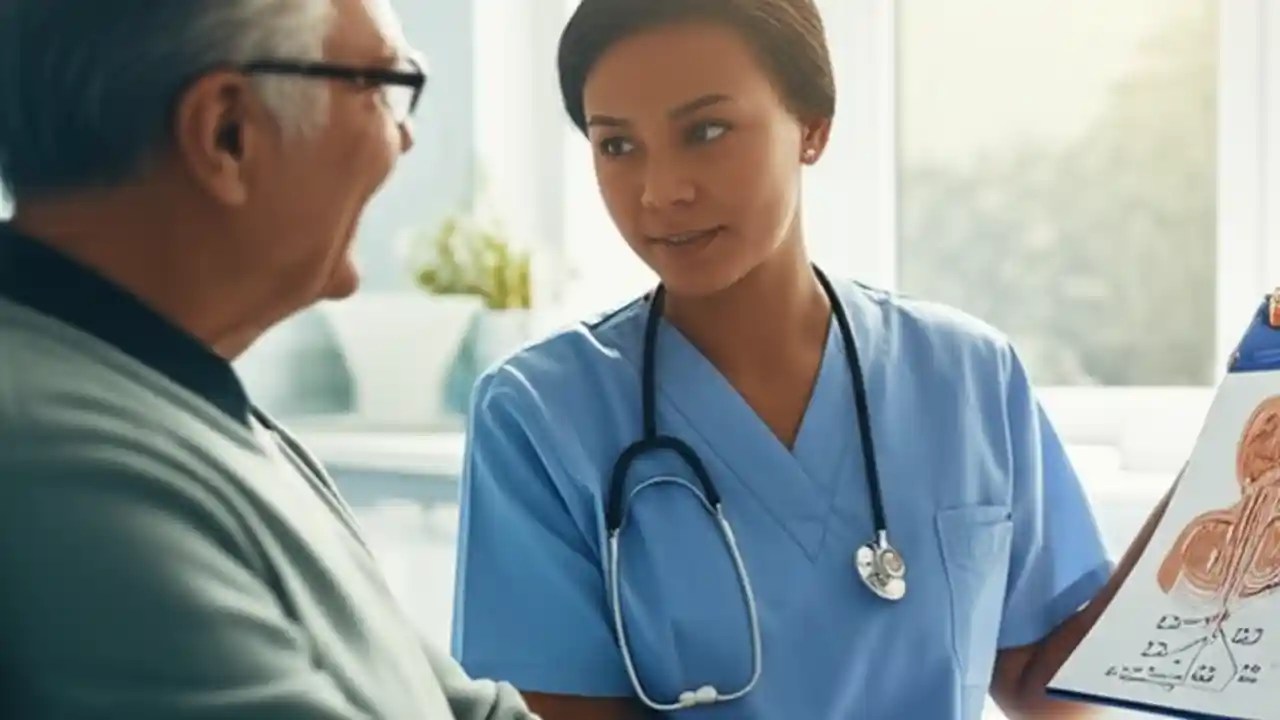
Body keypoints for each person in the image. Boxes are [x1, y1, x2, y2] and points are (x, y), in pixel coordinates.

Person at [450, 1, 1172, 718]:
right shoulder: (539, 417)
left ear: (813, 127)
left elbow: (1045, 683)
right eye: (617, 146)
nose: (660, 190)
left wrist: (1231, 473)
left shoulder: (967, 377)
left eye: (705, 131)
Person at [0, 1, 536, 718]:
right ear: (227, 133)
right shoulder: (56, 465)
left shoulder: (190, 403)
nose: (404, 136)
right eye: (379, 86)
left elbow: (460, 709)